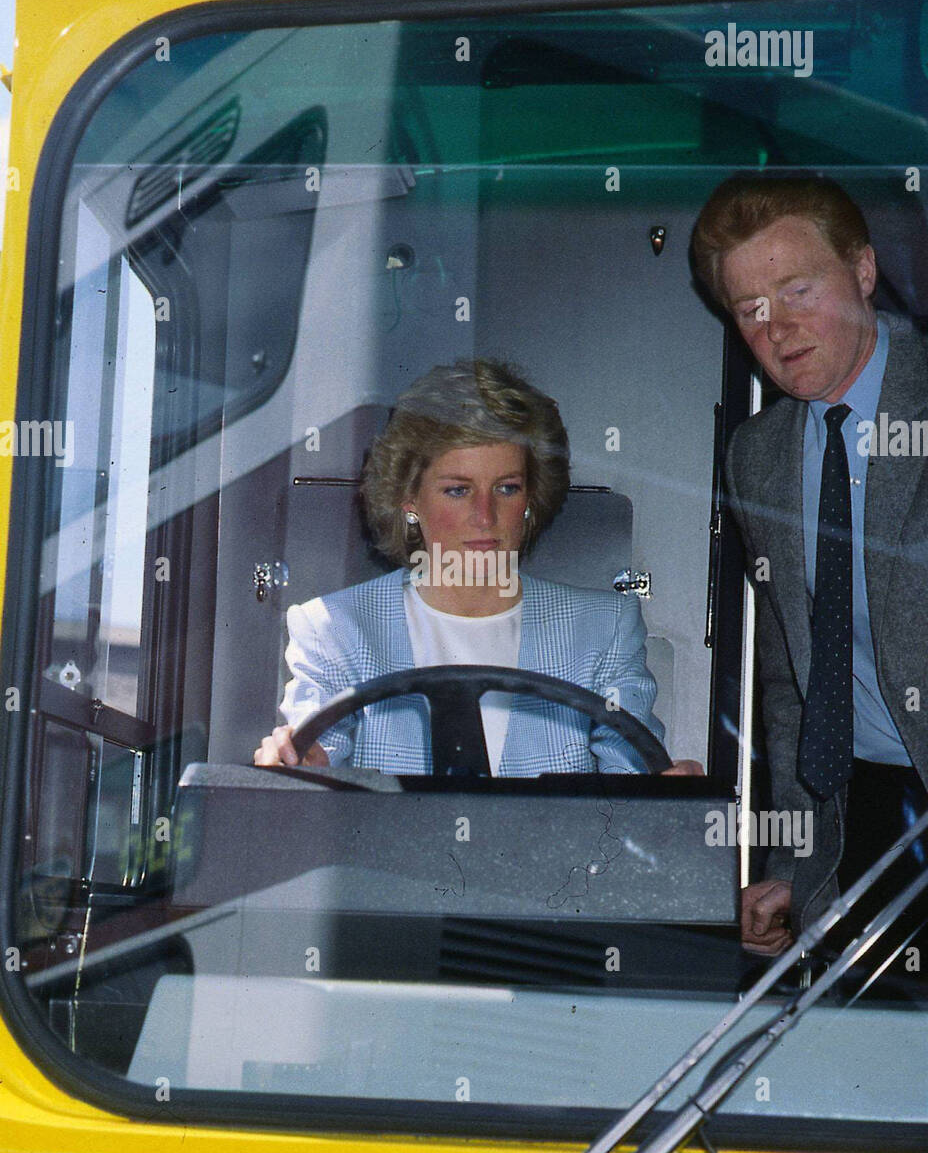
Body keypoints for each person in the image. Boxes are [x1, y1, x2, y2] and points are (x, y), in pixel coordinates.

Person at [255, 359, 700, 778]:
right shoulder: (334, 628)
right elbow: (317, 765)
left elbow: (632, 792)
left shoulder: (604, 629)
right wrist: (300, 764)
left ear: (531, 499)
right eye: (457, 490)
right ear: (409, 500)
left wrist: (667, 795)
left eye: (507, 488)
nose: (485, 516)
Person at [692, 174, 928, 957]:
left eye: (798, 289)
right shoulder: (757, 456)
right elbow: (796, 679)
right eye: (749, 308)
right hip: (862, 811)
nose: (777, 326)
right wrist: (796, 860)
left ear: (862, 272)